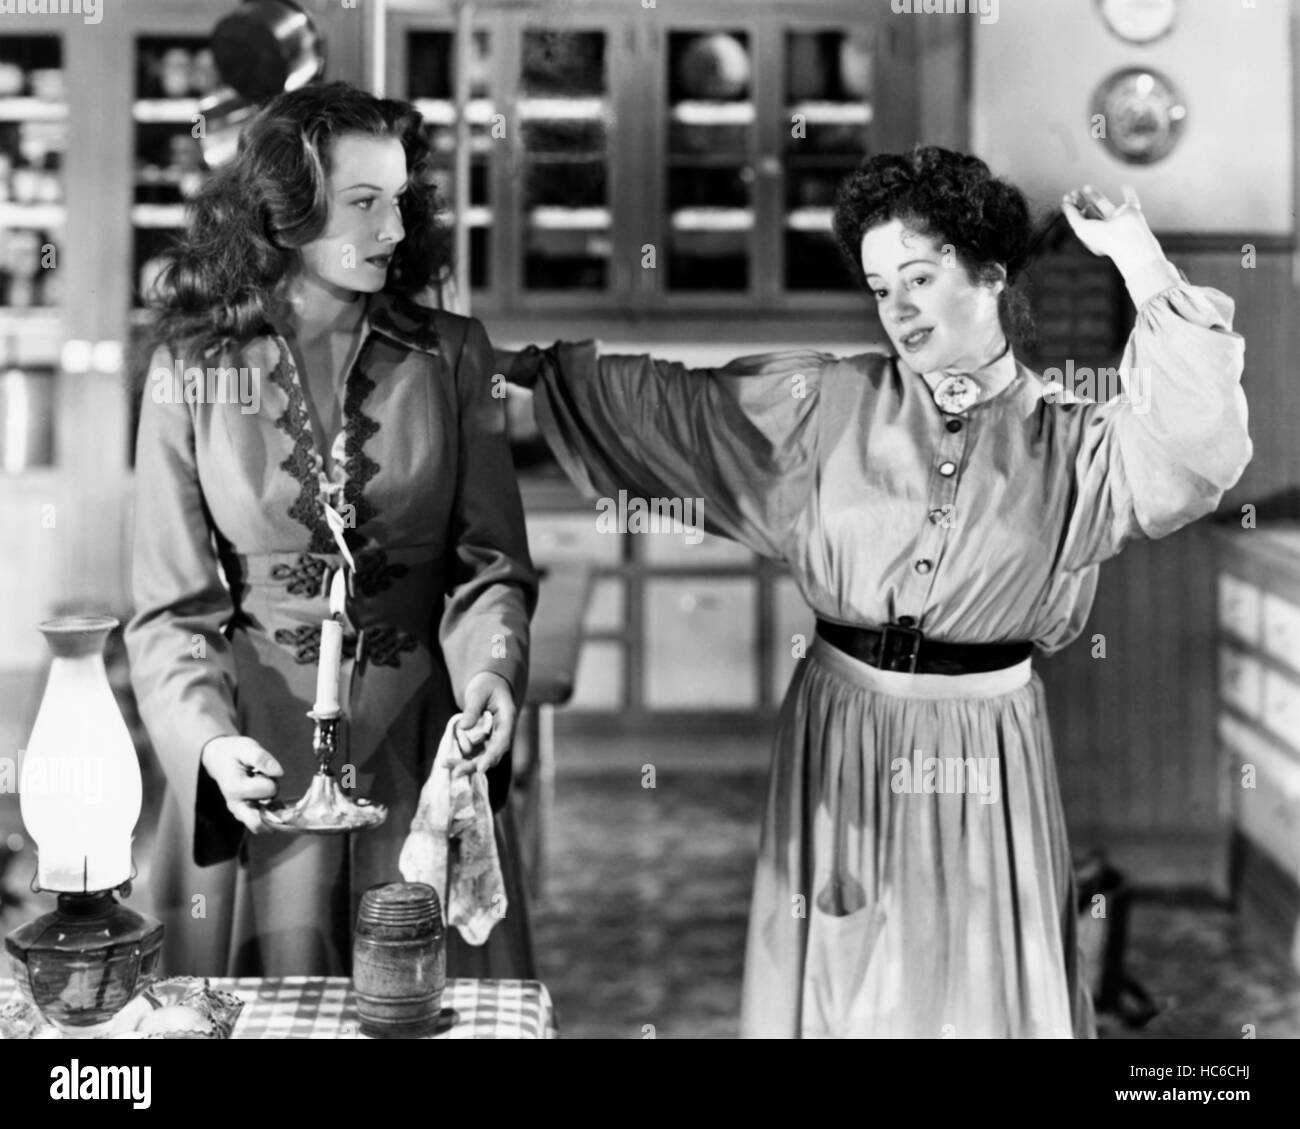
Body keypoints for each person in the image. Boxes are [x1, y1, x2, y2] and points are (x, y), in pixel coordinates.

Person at [507, 146, 1251, 1037]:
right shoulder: (825, 402)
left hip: (987, 749)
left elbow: (1198, 447)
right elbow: (666, 405)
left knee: (980, 992)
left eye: (921, 277)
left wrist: (1137, 256)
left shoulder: (1076, 442)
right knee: (847, 988)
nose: (896, 307)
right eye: (877, 285)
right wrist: (496, 365)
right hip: (842, 731)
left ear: (990, 274)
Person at [126, 81, 538, 979]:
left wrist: (492, 672)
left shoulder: (454, 356)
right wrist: (206, 743)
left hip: (421, 751)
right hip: (257, 760)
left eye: (400, 201)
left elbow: (490, 568)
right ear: (286, 215)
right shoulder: (190, 373)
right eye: (362, 203)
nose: (393, 229)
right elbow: (168, 612)